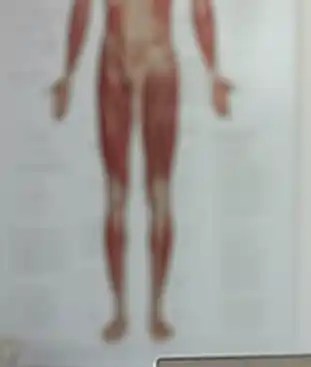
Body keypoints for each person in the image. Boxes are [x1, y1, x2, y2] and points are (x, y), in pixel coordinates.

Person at [51, 0, 233, 343]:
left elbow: (202, 10)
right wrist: (68, 74)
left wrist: (213, 74)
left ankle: (156, 308)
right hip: (115, 62)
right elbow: (81, 10)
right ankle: (120, 308)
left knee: (158, 193)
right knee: (118, 194)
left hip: (156, 61)